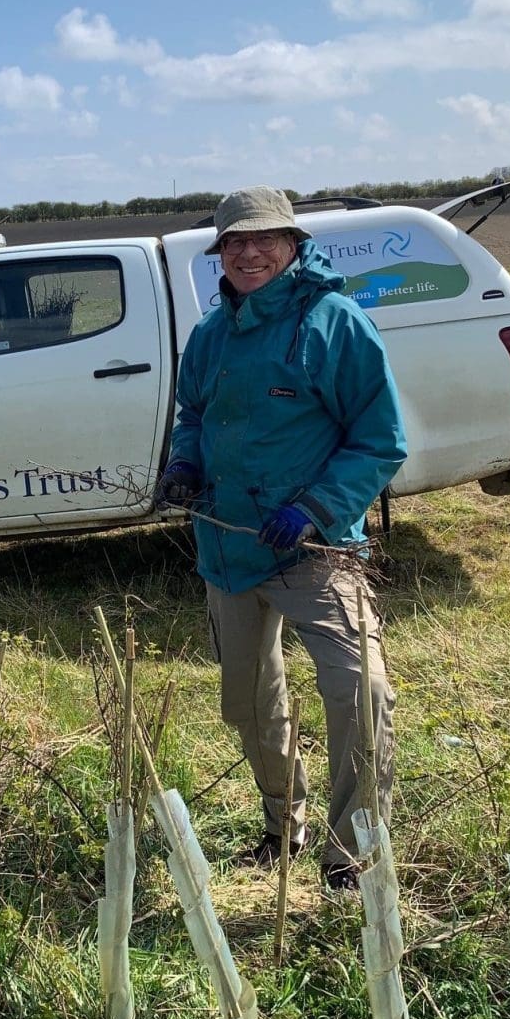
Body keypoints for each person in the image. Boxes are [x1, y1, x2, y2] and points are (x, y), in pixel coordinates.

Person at [157, 186, 407, 890]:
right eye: (234, 242)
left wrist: (315, 509)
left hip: (314, 550)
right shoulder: (210, 335)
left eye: (263, 238)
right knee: (247, 700)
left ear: (293, 244)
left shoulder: (334, 325)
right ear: (220, 255)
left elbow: (380, 440)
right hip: (228, 548)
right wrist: (185, 463)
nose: (248, 252)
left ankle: (352, 853)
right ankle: (283, 823)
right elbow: (193, 415)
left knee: (360, 690)